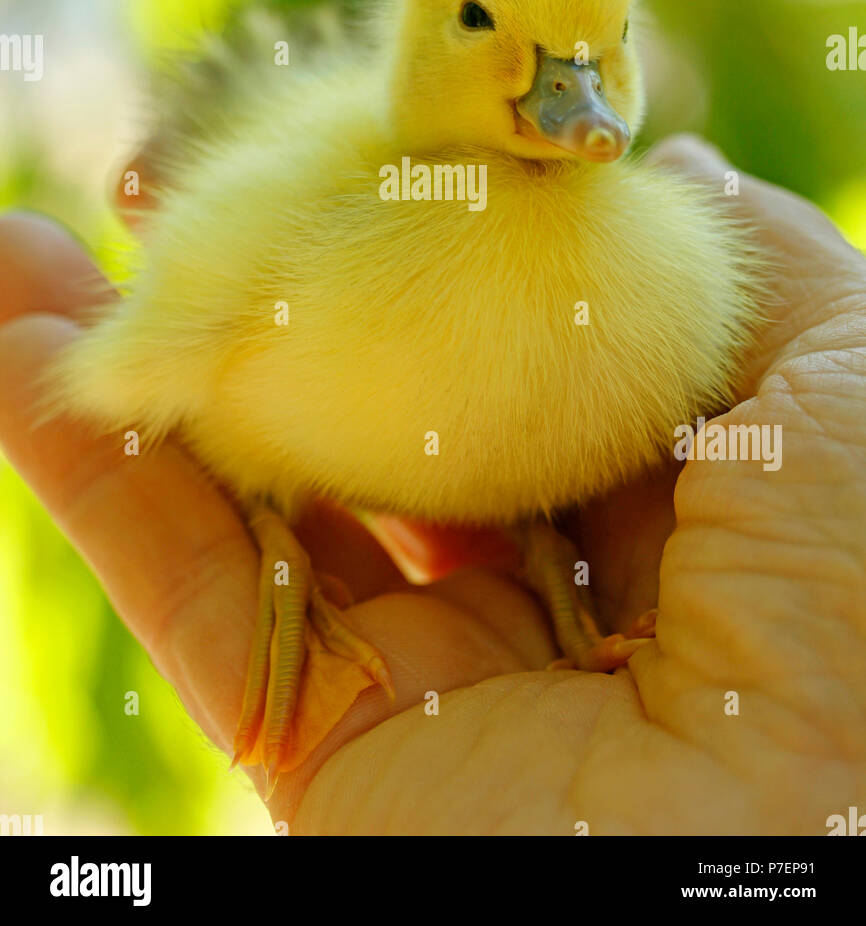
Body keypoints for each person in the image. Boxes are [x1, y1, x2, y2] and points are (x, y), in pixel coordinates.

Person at [0, 135, 864, 835]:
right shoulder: (356, 208)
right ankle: (274, 537)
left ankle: (544, 556)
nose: (566, 88)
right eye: (487, 26)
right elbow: (176, 331)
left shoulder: (658, 261)